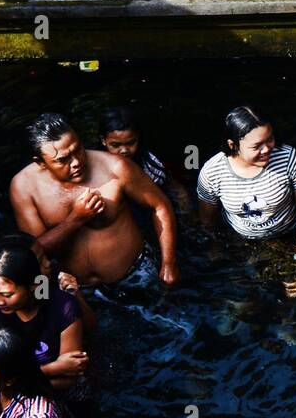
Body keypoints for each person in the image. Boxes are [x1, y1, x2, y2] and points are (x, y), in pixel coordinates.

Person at [10, 113, 179, 289]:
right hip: (75, 289)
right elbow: (33, 251)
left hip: (135, 273)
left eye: (77, 150)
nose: (76, 162)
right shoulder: (24, 187)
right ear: (41, 163)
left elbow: (160, 205)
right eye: (63, 160)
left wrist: (169, 264)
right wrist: (75, 219)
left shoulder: (115, 167)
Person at [0, 233, 90, 394]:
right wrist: (52, 369)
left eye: (7, 295)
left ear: (32, 285)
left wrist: (11, 383)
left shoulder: (61, 303)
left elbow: (70, 378)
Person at [196, 104, 296, 253]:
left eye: (270, 139)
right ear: (233, 145)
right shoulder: (212, 172)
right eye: (256, 146)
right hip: (240, 241)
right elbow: (208, 222)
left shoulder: (288, 158)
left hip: (288, 236)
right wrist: (215, 251)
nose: (266, 149)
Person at [98, 105, 191, 212]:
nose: (124, 150)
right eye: (115, 145)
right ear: (103, 140)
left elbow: (176, 190)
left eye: (131, 143)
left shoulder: (150, 164)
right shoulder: (92, 162)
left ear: (138, 138)